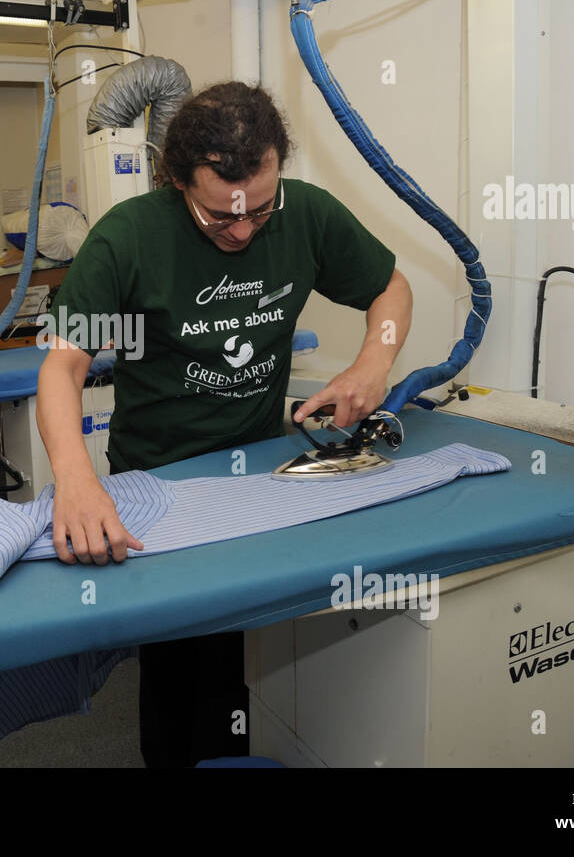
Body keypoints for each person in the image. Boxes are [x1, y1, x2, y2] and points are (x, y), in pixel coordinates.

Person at [35, 82, 413, 767]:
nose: (242, 232)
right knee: (177, 660)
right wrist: (75, 480)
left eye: (259, 213)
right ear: (178, 180)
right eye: (219, 220)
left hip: (262, 476)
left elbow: (390, 287)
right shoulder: (128, 237)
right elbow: (62, 367)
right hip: (160, 480)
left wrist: (372, 364)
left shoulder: (309, 217)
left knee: (244, 649)